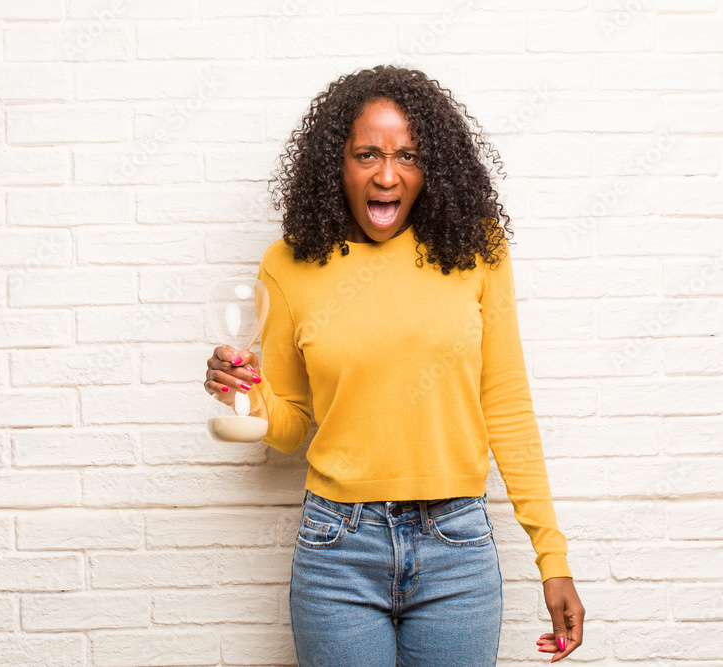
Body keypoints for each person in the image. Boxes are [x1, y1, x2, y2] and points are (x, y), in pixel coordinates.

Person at [204, 65, 585, 666]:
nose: (387, 175)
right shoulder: (287, 266)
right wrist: (243, 395)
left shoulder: (476, 250)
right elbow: (288, 427)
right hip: (336, 551)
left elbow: (505, 404)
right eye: (367, 155)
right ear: (337, 164)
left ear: (433, 167)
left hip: (457, 548)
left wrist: (553, 559)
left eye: (408, 155)